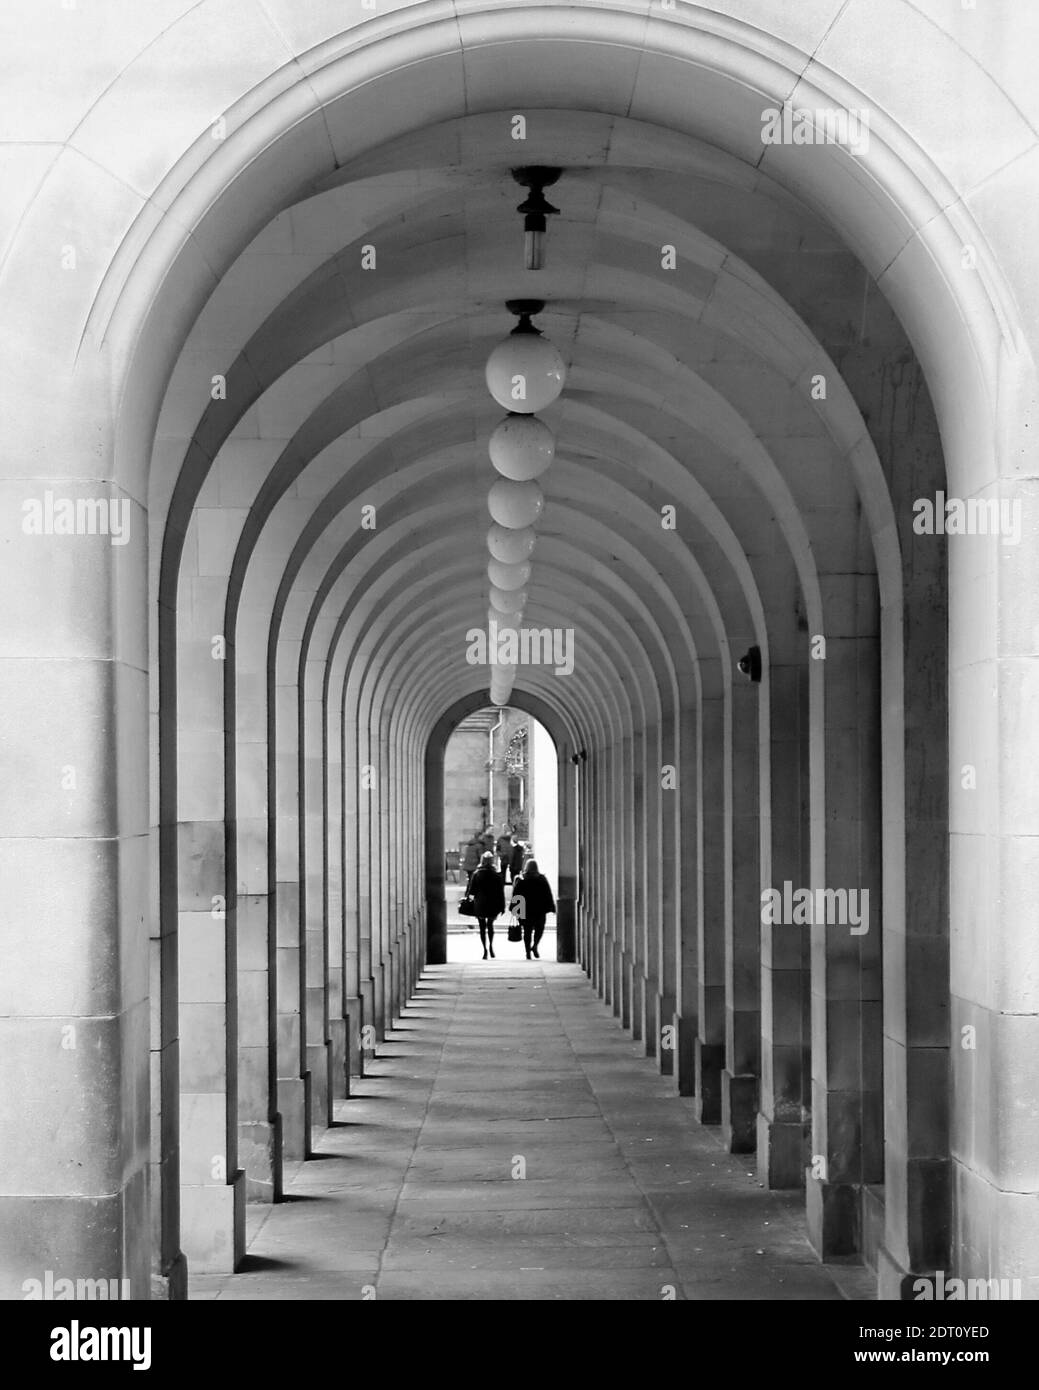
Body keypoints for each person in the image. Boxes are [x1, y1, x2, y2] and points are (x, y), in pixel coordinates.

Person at [510, 859, 556, 960]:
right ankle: (535, 945)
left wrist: (513, 908)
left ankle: (527, 952)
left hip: (525, 910)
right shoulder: (541, 879)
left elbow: (516, 894)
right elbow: (548, 893)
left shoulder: (521, 879)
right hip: (539, 909)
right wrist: (552, 906)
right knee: (539, 929)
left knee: (527, 931)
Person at [468, 851, 505, 960]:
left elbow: (471, 891)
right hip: (493, 903)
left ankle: (485, 949)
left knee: (482, 927)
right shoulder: (496, 875)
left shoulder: (476, 874)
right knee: (490, 925)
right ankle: (491, 946)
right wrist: (502, 906)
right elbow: (500, 892)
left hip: (480, 903)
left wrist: (469, 902)